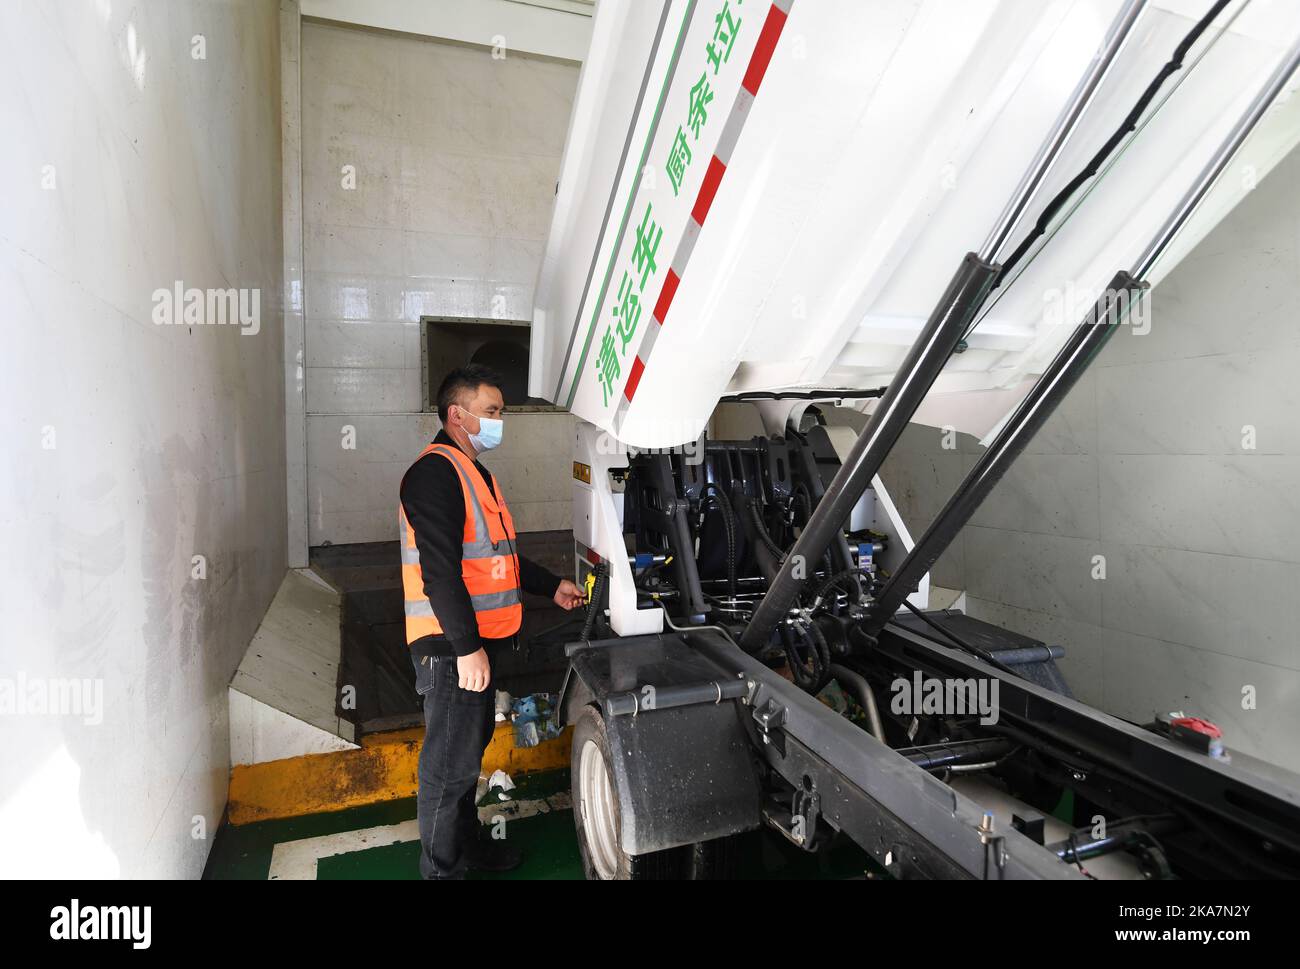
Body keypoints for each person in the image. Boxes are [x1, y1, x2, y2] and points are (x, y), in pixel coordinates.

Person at [398, 364, 586, 879]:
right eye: (492, 411)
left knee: (466, 758)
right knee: (448, 768)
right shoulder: (434, 473)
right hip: (449, 649)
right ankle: (442, 871)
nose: (500, 421)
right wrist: (465, 648)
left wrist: (552, 586)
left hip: (478, 645)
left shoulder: (475, 472)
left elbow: (499, 557)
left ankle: (467, 851)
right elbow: (440, 573)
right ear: (458, 415)